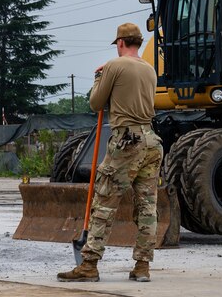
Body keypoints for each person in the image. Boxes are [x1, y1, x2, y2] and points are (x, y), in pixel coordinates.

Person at [59, 22, 161, 283]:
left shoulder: (115, 66)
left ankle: (89, 264)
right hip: (150, 140)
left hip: (126, 140)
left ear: (120, 43)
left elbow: (96, 102)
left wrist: (98, 77)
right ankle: (142, 266)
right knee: (147, 206)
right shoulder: (150, 70)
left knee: (104, 203)